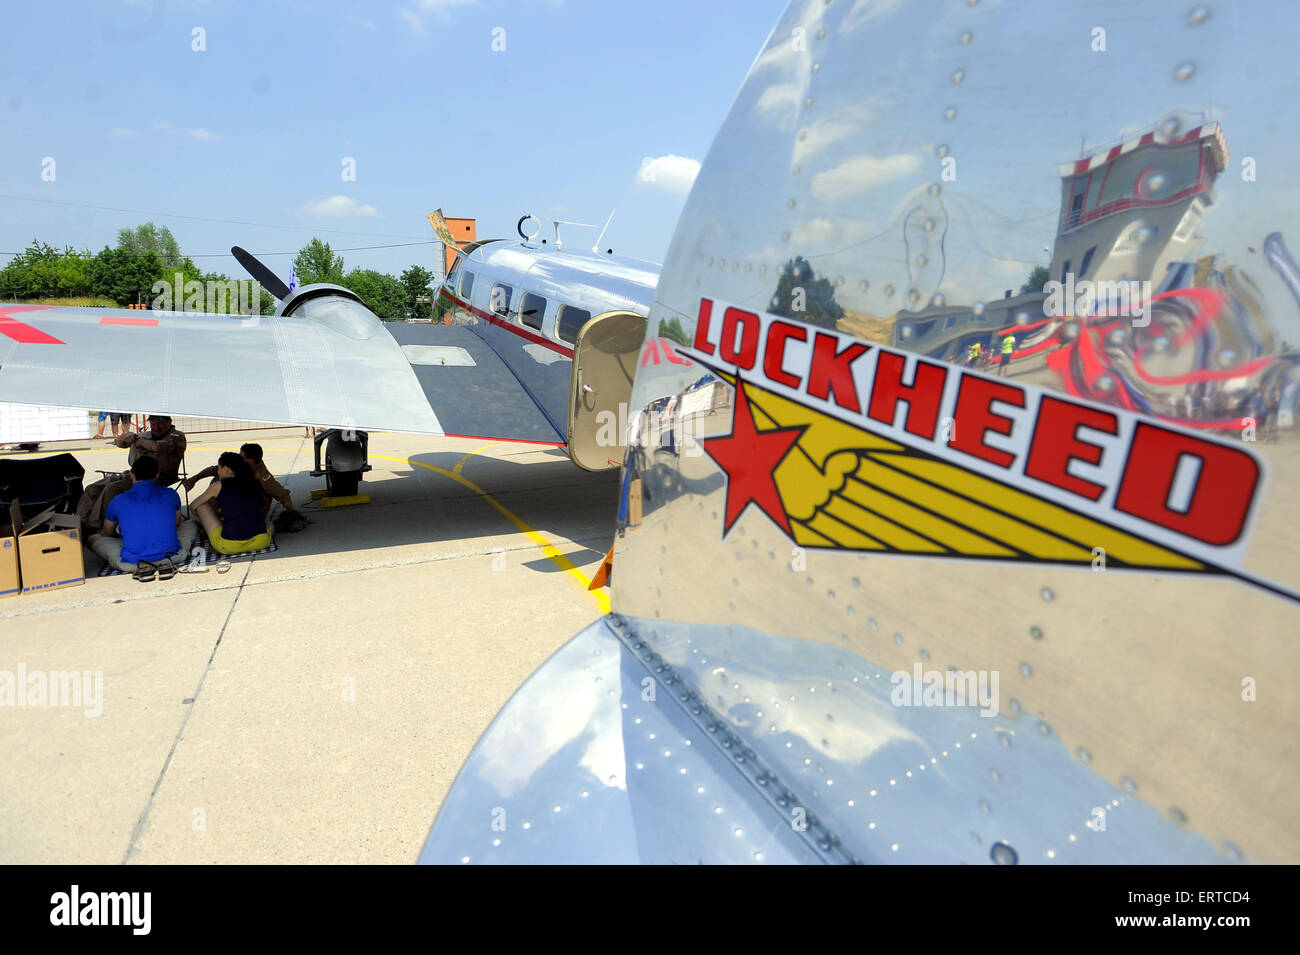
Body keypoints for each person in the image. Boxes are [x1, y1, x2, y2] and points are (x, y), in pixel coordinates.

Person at [88, 456, 199, 579]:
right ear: (157, 475)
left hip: (132, 563)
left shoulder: (118, 500)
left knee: (94, 538)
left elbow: (106, 532)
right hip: (172, 557)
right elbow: (177, 523)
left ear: (132, 475)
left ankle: (140, 559)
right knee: (190, 523)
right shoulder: (171, 494)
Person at [77, 413, 188, 533]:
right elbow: (120, 443)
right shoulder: (145, 435)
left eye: (160, 424)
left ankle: (94, 526)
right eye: (153, 424)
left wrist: (137, 440)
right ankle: (78, 523)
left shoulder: (177, 436)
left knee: (112, 489)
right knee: (92, 488)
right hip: (132, 475)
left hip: (158, 477)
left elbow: (157, 447)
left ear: (169, 422)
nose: (156, 427)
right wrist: (125, 437)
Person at [190, 452, 273, 555]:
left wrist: (205, 521)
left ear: (226, 469)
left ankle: (212, 538)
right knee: (270, 524)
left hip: (228, 546)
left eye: (219, 468)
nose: (218, 472)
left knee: (201, 506)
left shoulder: (218, 485)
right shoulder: (255, 483)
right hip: (260, 542)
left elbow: (193, 506)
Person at [185, 443, 297, 516]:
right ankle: (216, 514)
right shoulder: (241, 465)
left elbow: (282, 495)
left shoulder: (263, 477)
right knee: (219, 477)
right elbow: (215, 469)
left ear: (251, 460)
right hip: (238, 513)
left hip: (252, 514)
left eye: (242, 456)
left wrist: (294, 514)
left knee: (218, 484)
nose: (239, 457)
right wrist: (195, 479)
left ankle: (215, 519)